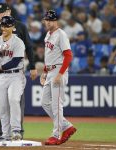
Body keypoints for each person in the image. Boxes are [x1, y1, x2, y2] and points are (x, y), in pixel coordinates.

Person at [0, 2, 37, 141]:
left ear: (9, 11)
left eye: (4, 12)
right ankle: (2, 133)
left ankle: (18, 131)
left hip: (15, 72)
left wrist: (32, 66)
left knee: (15, 100)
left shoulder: (20, 27)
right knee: (2, 103)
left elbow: (29, 48)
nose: (2, 15)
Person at [40, 10, 77, 145]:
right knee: (45, 103)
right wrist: (44, 71)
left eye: (50, 20)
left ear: (55, 21)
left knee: (56, 105)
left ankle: (55, 135)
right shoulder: (48, 35)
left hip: (58, 71)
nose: (47, 22)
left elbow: (68, 55)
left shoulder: (61, 35)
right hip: (50, 71)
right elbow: (49, 55)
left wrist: (60, 74)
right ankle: (67, 126)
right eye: (46, 20)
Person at [0, 15, 26, 142]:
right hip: (2, 77)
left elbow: (15, 61)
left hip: (16, 75)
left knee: (14, 100)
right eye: (2, 25)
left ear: (13, 27)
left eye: (7, 26)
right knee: (3, 106)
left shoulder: (18, 42)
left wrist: (1, 67)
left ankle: (16, 131)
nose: (4, 28)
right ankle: (5, 133)